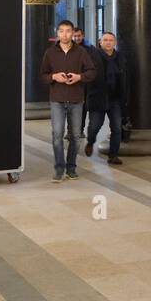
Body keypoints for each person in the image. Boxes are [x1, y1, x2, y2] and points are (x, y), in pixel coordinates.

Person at [40, 20, 95, 182]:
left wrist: (80, 77)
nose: (65, 34)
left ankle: (71, 168)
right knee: (57, 134)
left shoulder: (81, 52)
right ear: (57, 33)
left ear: (73, 33)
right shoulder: (50, 53)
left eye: (68, 31)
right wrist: (53, 77)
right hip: (57, 99)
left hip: (76, 99)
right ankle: (59, 168)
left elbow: (92, 71)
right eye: (61, 31)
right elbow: (42, 75)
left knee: (75, 136)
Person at [85, 32, 127, 165]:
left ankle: (113, 155)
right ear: (100, 42)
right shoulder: (93, 56)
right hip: (98, 97)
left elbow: (125, 78)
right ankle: (90, 141)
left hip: (115, 99)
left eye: (111, 40)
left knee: (116, 128)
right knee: (94, 126)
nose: (108, 42)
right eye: (105, 40)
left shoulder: (120, 57)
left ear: (114, 43)